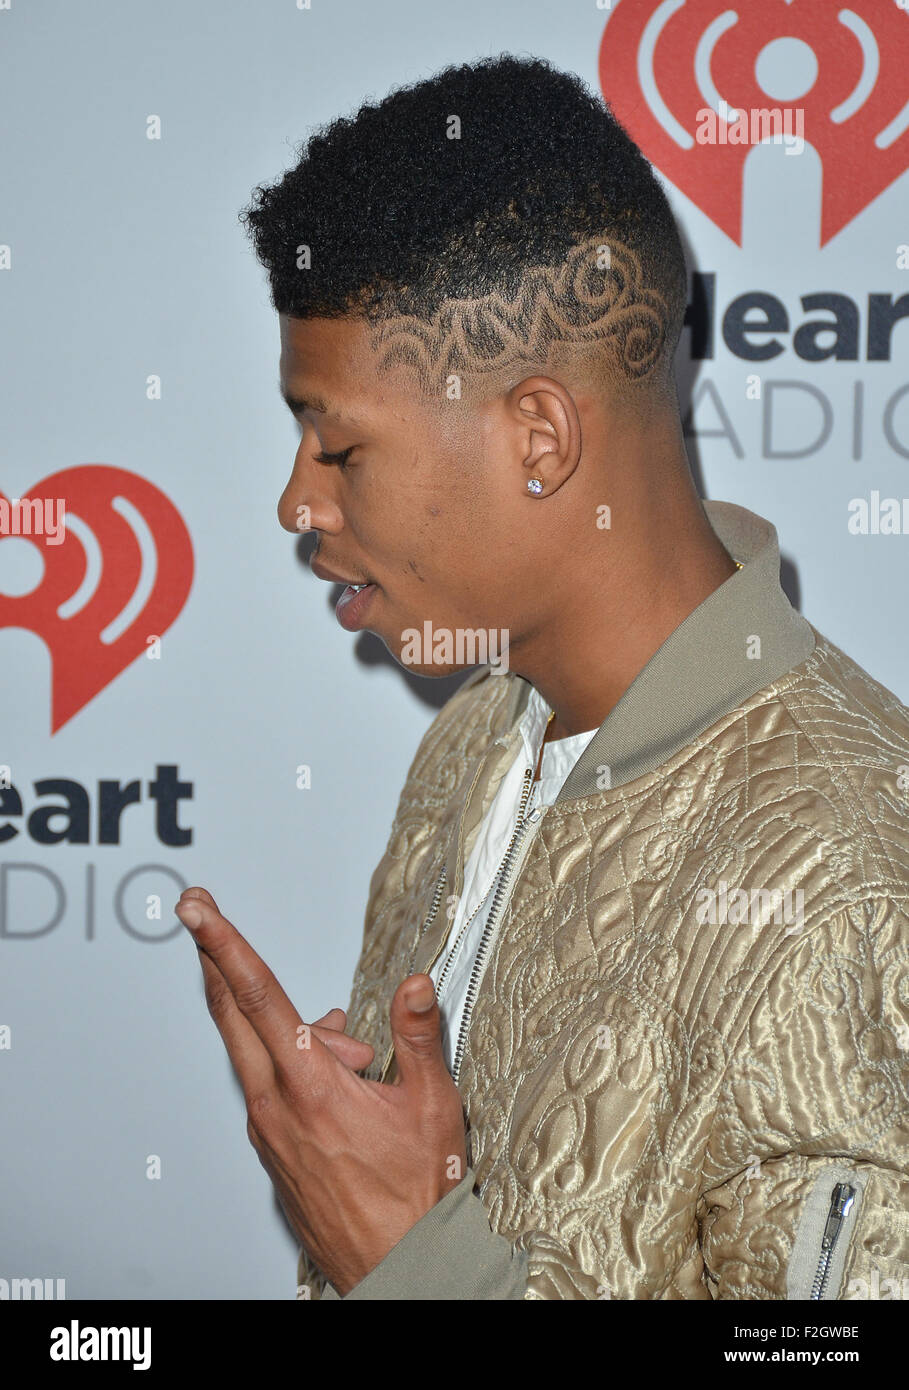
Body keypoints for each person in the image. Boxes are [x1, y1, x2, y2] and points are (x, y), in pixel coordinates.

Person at [175, 53, 909, 1300]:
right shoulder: (476, 734)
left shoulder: (848, 873)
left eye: (340, 445)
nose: (297, 501)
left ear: (539, 437)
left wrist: (418, 1265)